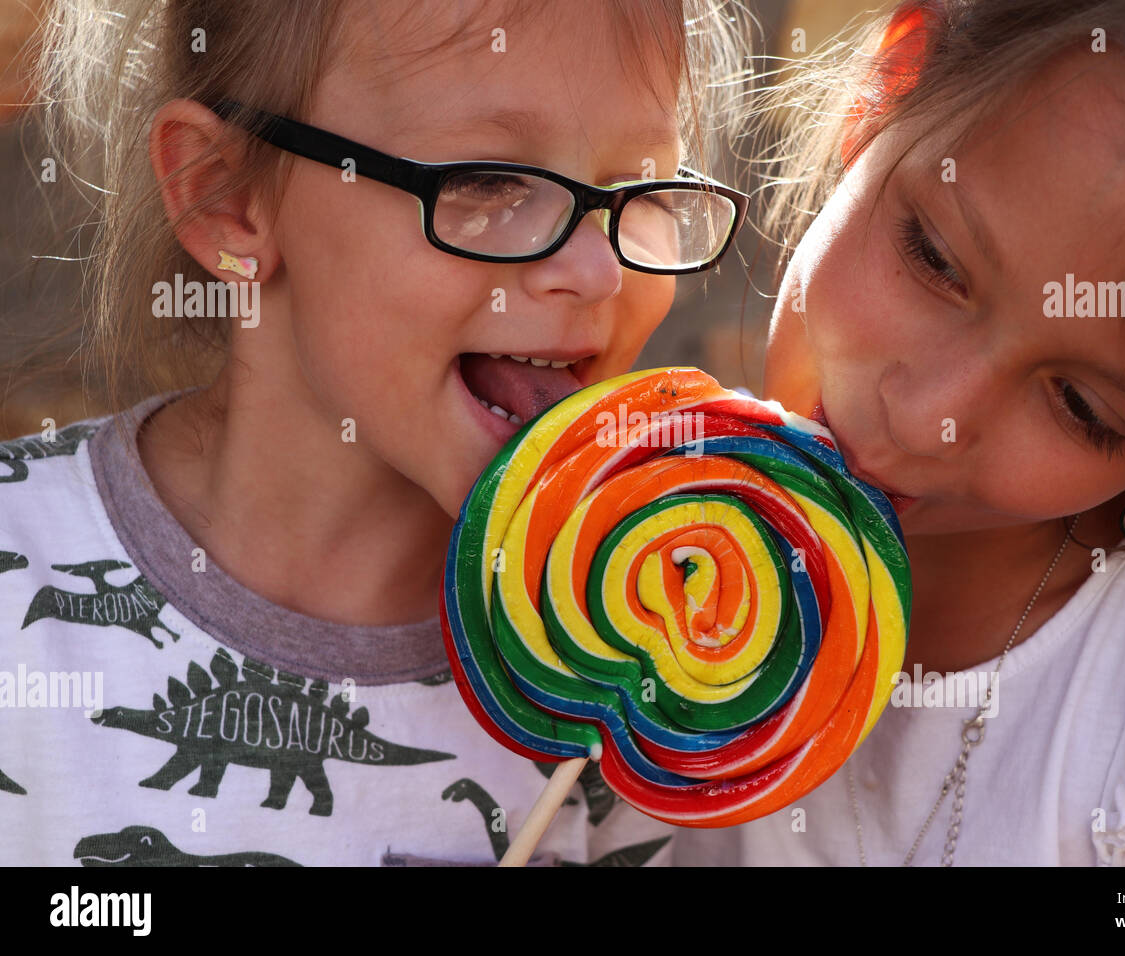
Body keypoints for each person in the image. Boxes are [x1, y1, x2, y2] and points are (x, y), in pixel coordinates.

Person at [0, 0, 749, 866]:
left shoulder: (646, 678)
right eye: (488, 181)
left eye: (638, 190)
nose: (598, 271)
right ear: (224, 195)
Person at [677, 0, 1125, 865]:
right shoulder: (619, 525)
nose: (931, 418)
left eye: (1082, 407)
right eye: (934, 259)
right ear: (889, 86)